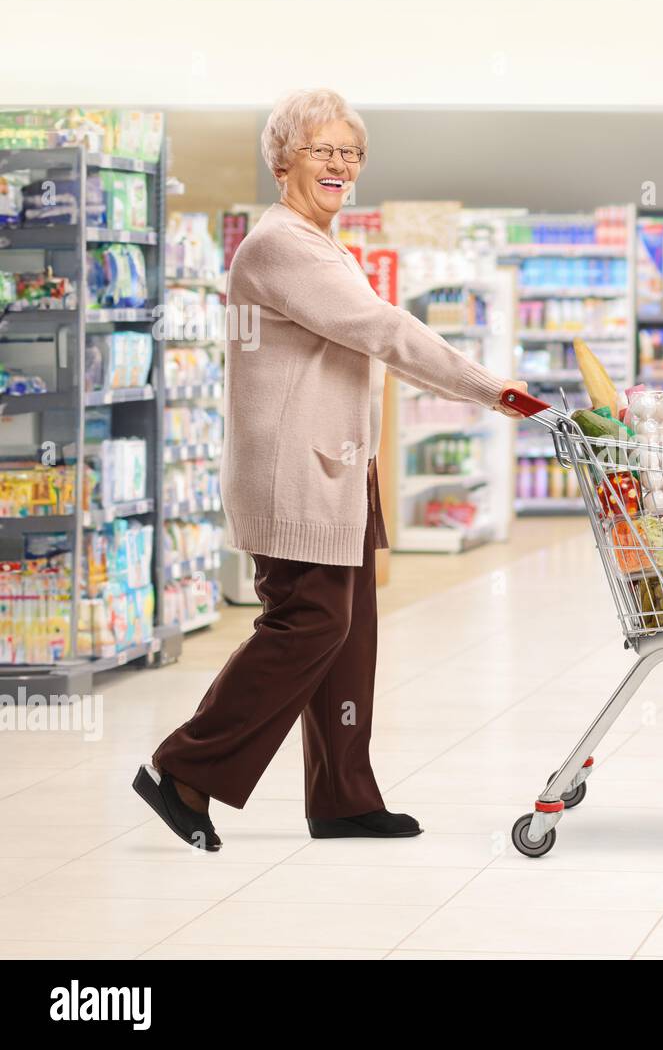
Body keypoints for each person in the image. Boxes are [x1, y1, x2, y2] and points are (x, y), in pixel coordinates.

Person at [133, 88, 528, 851]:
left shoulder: (318, 241)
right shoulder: (281, 244)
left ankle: (343, 795)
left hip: (341, 466)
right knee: (309, 620)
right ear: (284, 159)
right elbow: (382, 328)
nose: (341, 165)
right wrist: (493, 390)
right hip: (296, 472)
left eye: (351, 153)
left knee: (350, 633)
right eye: (324, 150)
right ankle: (184, 767)